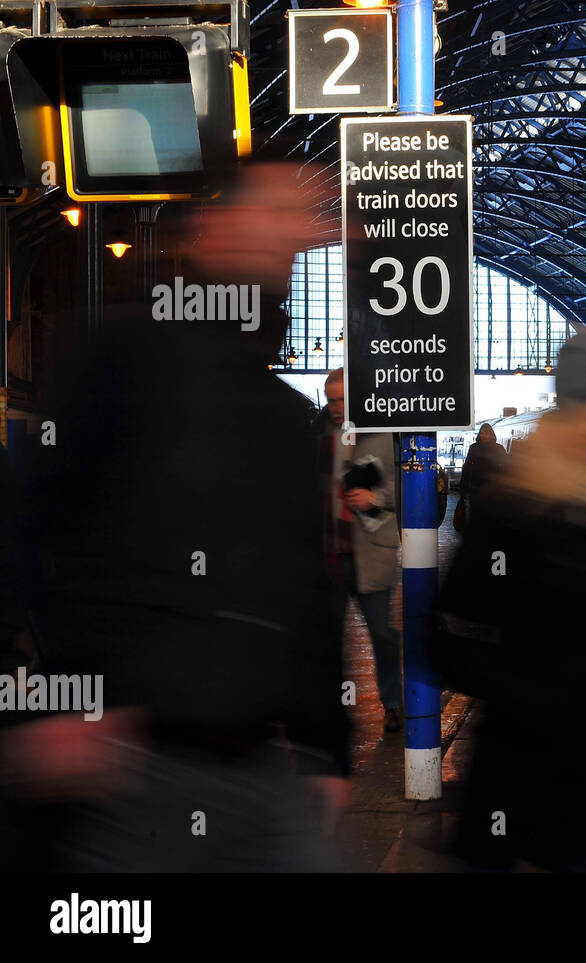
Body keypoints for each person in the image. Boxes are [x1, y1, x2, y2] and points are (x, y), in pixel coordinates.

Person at [5, 162, 351, 871]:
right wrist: (47, 705)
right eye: (278, 213)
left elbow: (307, 589)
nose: (295, 234)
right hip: (127, 761)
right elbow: (28, 530)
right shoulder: (118, 359)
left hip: (257, 760)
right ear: (212, 228)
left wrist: (325, 744)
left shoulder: (284, 414)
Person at [428, 328, 586, 872]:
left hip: (581, 783)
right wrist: (536, 696)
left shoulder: (575, 510)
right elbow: (446, 634)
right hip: (530, 781)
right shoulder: (517, 509)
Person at [321, 368, 403, 733]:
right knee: (328, 639)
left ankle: (394, 703)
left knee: (382, 635)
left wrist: (375, 497)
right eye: (330, 400)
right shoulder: (319, 435)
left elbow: (407, 490)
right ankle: (330, 709)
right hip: (330, 554)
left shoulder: (383, 435)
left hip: (369, 552)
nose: (335, 407)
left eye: (341, 399)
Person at [454, 422, 506, 531]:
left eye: (485, 433)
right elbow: (467, 468)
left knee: (491, 515)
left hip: (493, 490)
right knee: (476, 514)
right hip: (476, 489)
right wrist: (463, 488)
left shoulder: (499, 449)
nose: (483, 435)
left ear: (491, 434)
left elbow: (505, 469)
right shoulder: (474, 448)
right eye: (481, 433)